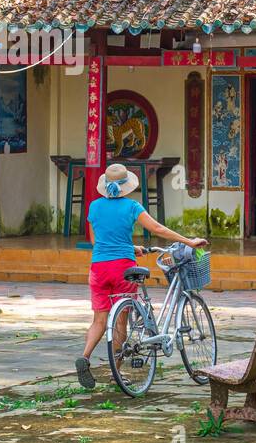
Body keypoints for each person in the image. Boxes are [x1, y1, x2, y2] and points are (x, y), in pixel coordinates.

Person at [76, 163, 207, 389]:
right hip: (122, 270)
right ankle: (116, 373)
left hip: (98, 268)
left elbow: (97, 241)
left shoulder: (94, 207)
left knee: (99, 319)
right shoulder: (131, 206)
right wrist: (189, 241)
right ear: (126, 186)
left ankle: (85, 357)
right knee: (120, 320)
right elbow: (158, 229)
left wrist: (129, 246)